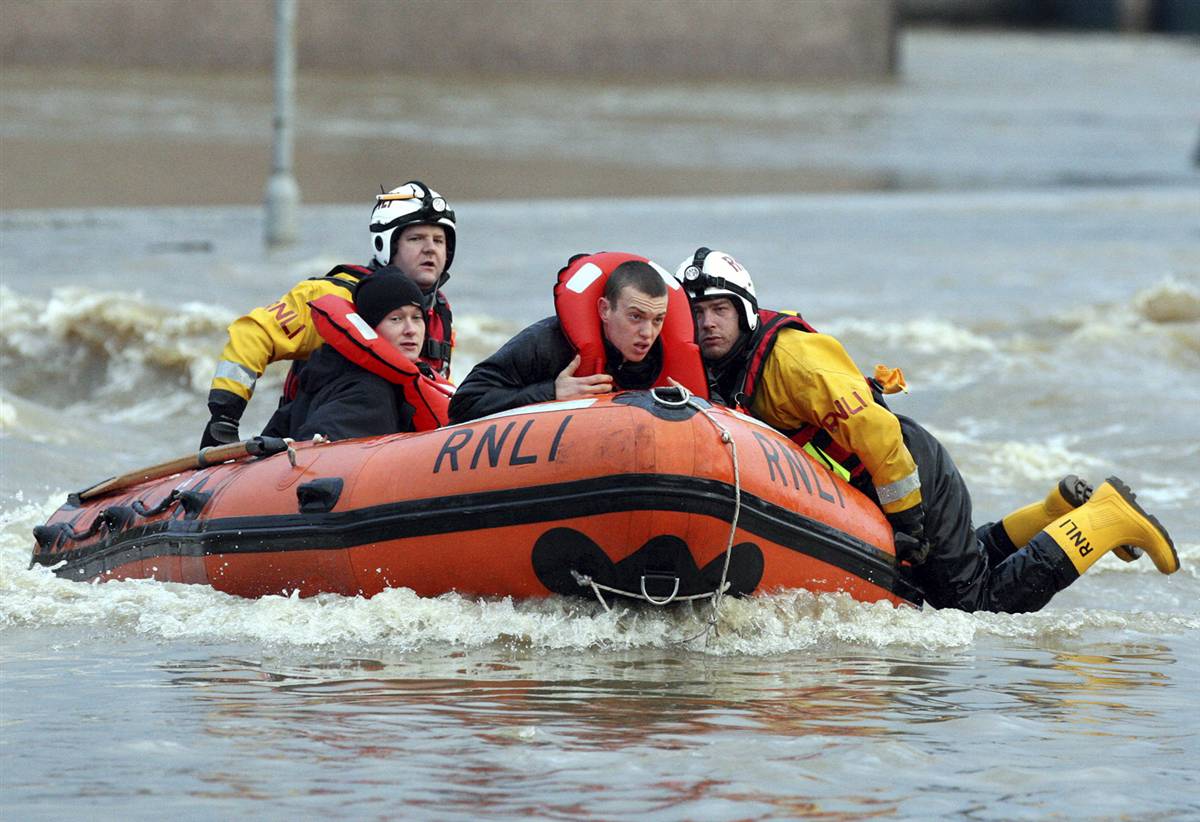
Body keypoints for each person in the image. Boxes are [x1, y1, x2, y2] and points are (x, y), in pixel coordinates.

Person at [674, 247, 1178, 613]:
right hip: (875, 481)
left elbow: (876, 433)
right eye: (697, 314)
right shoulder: (721, 368)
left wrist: (908, 521)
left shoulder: (791, 362)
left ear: (743, 312)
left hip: (908, 470)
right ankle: (1054, 513)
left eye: (719, 310)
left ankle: (1105, 519)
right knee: (955, 572)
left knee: (973, 605)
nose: (709, 324)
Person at [200, 180, 457, 447]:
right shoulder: (329, 296)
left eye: (439, 240)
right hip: (320, 427)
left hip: (392, 444)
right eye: (416, 239)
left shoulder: (440, 317)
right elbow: (252, 334)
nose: (430, 249)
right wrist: (224, 417)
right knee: (372, 391)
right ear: (386, 243)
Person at [449, 251, 707, 423]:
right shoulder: (549, 343)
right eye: (635, 317)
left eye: (657, 320)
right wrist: (550, 392)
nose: (647, 333)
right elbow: (464, 404)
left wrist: (687, 403)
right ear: (605, 310)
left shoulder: (672, 360)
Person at [261, 270, 447, 441]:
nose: (411, 330)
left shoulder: (330, 371)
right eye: (396, 319)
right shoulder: (368, 394)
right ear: (369, 329)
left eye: (417, 318)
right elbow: (315, 454)